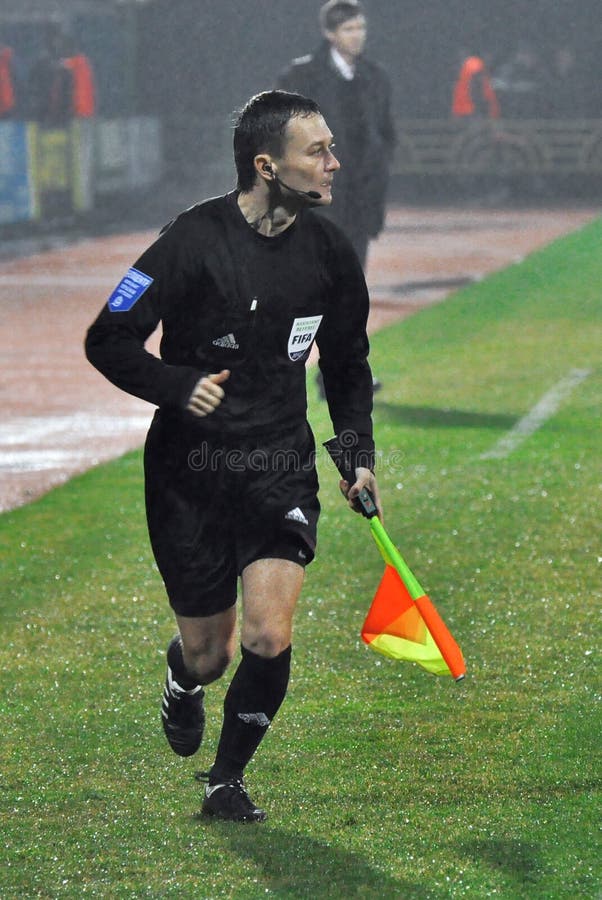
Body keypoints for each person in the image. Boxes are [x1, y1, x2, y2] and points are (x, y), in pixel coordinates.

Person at [85, 90, 382, 823]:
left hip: (278, 461)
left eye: (331, 148)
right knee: (210, 655)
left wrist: (355, 455)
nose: (334, 163)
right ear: (266, 164)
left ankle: (226, 780)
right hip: (190, 475)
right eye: (317, 151)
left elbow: (346, 363)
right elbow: (108, 337)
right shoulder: (191, 239)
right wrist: (177, 385)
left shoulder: (330, 252)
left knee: (269, 633)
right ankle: (182, 681)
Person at [277, 0, 395, 395]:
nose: (357, 36)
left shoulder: (376, 77)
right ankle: (277, 371)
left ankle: (338, 374)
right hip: (316, 204)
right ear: (330, 34)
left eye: (360, 28)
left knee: (347, 290)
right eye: (348, 30)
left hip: (359, 202)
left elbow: (385, 138)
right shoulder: (301, 75)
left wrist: (376, 194)